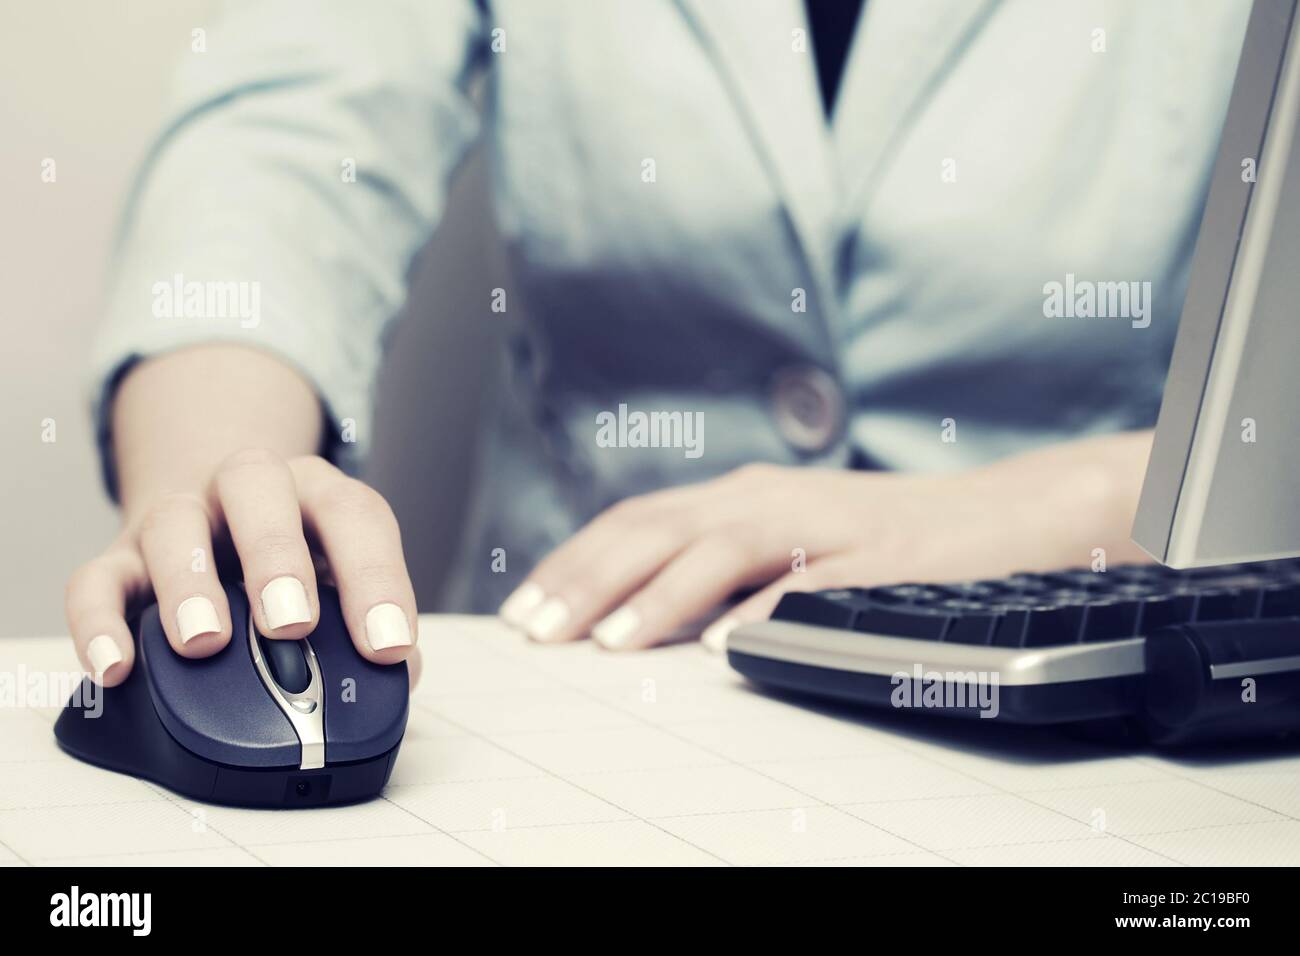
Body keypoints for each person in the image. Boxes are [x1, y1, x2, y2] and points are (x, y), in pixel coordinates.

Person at [66, 0, 1252, 686]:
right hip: (585, 659)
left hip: (1114, 672)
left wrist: (1092, 500)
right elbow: (282, 141)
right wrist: (218, 481)